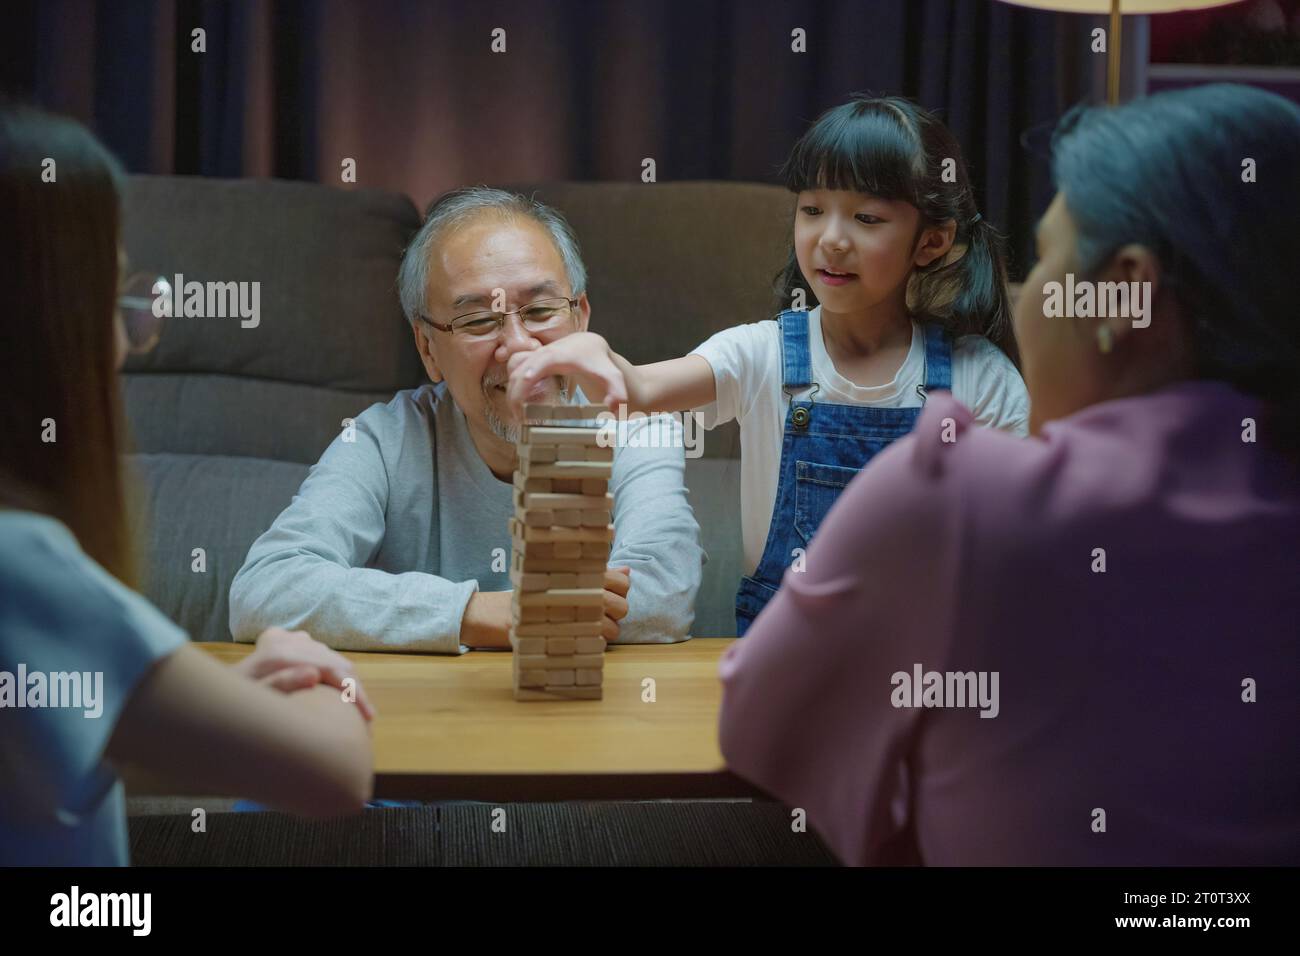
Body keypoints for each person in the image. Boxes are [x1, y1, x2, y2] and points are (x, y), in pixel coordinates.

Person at [717, 84, 1300, 865]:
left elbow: (760, 726)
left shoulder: (953, 491)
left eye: (1047, 259)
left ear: (1121, 294)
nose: (1021, 299)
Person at [0, 105, 375, 866]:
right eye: (114, 300)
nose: (129, 341)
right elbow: (335, 773)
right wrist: (313, 667)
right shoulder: (21, 562)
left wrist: (208, 701)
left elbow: (55, 751)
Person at [506, 96, 1028, 634]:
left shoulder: (980, 381)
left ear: (932, 241)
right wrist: (594, 354)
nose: (830, 239)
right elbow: (641, 388)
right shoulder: (761, 355)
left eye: (866, 218)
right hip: (779, 656)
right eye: (812, 210)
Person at [229, 187, 703, 653]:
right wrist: (479, 613)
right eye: (478, 321)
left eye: (540, 311)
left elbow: (664, 595)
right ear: (428, 349)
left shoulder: (637, 425)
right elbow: (266, 589)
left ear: (580, 318)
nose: (518, 347)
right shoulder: (382, 442)